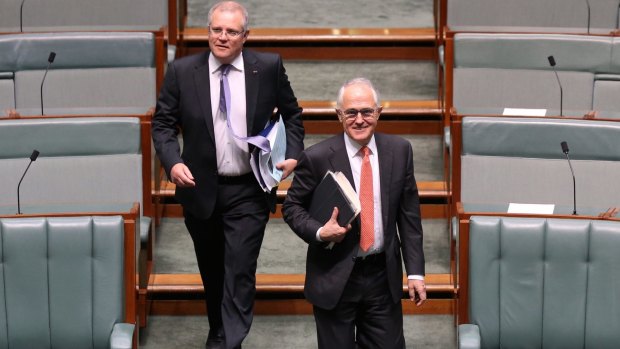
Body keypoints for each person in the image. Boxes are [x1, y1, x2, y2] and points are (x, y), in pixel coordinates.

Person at [151, 1, 304, 348]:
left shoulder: (266, 68)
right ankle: (218, 330)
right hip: (200, 189)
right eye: (216, 30)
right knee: (213, 270)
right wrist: (173, 162)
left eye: (231, 31)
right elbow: (162, 124)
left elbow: (293, 115)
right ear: (208, 32)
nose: (222, 37)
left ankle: (226, 342)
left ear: (245, 36)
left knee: (239, 268)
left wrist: (293, 155)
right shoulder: (181, 71)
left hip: (248, 188)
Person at [282, 78, 426, 349]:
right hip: (334, 276)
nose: (359, 119)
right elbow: (291, 207)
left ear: (378, 112)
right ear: (339, 115)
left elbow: (409, 217)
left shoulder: (400, 151)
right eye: (351, 112)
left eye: (366, 112)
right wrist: (320, 231)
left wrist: (416, 273)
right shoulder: (316, 157)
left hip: (383, 276)